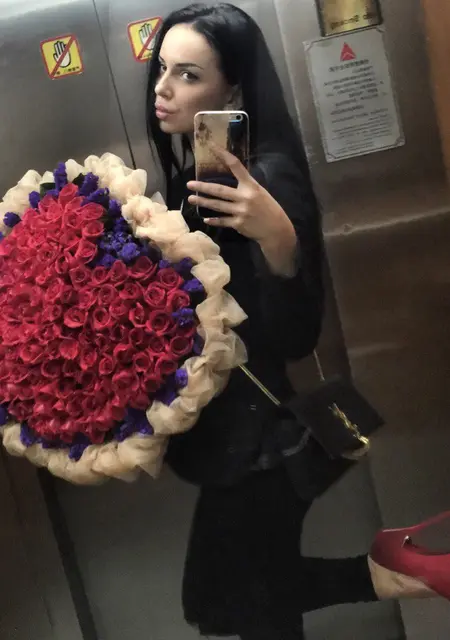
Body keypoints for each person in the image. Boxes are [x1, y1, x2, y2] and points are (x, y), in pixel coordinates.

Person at [146, 4, 445, 639]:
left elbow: (294, 335)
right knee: (243, 597)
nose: (163, 88)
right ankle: (387, 573)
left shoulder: (265, 177)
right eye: (162, 69)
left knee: (231, 602)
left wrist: (280, 242)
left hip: (267, 438)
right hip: (240, 437)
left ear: (232, 90)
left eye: (188, 74)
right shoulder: (203, 179)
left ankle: (386, 575)